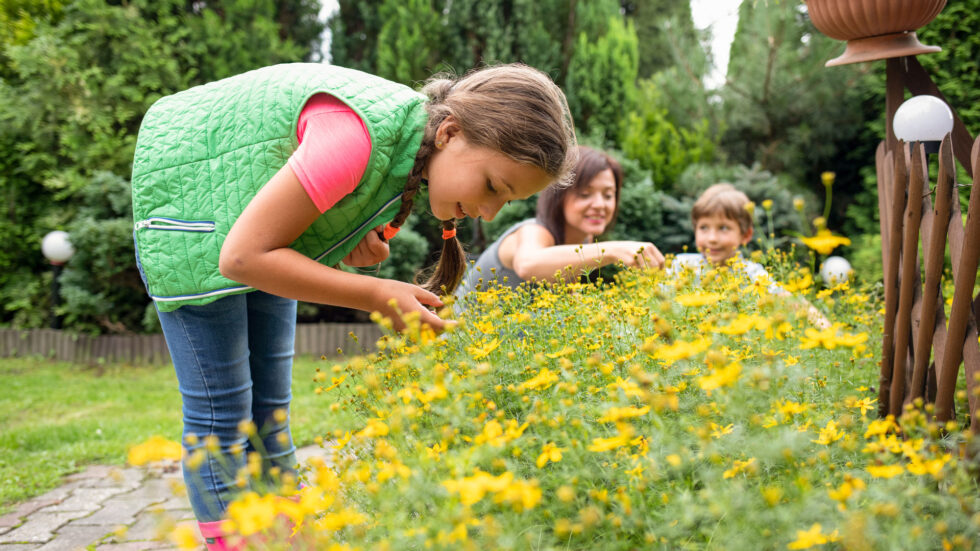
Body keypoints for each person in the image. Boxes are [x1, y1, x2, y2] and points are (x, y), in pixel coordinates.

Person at [130, 62, 577, 548]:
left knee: (270, 416)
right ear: (449, 132)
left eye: (506, 202)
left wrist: (348, 241)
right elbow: (241, 258)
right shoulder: (354, 139)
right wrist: (374, 294)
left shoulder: (410, 150)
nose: (488, 213)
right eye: (492, 186)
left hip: (253, 237)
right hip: (194, 216)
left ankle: (288, 539)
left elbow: (291, 211)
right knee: (222, 417)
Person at [454, 145, 664, 303]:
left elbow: (566, 300)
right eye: (585, 194)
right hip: (461, 341)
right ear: (559, 196)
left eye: (608, 195)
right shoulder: (532, 231)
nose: (600, 205)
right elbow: (528, 265)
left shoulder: (584, 240)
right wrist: (612, 250)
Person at [670, 183, 831, 328]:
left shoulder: (752, 274)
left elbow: (792, 301)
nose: (712, 238)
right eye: (704, 227)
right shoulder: (681, 265)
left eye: (723, 228)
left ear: (746, 235)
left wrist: (830, 332)